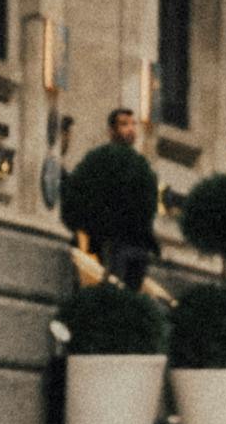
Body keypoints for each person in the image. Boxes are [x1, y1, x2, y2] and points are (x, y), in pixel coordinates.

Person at [59, 102, 161, 288]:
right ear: (112, 131)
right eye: (124, 124)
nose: (130, 129)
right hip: (110, 246)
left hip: (135, 246)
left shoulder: (141, 166)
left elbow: (147, 206)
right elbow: (78, 197)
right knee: (112, 290)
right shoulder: (99, 159)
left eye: (132, 124)